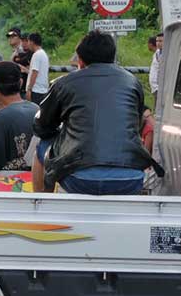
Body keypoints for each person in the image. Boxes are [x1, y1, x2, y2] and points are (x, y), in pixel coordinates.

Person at [33, 31, 157, 195]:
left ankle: (42, 207)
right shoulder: (132, 82)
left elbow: (42, 127)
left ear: (80, 60)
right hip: (131, 177)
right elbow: (135, 123)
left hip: (79, 179)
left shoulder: (64, 83)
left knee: (43, 145)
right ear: (113, 57)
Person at [24, 32, 50, 105]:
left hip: (35, 91)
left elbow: (35, 72)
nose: (27, 44)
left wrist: (29, 89)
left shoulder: (36, 55)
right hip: (43, 90)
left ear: (32, 42)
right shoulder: (43, 54)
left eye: (28, 41)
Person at [149, 33, 163, 105]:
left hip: (160, 87)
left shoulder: (167, 54)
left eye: (160, 41)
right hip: (155, 87)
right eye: (157, 41)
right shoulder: (157, 53)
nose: (158, 43)